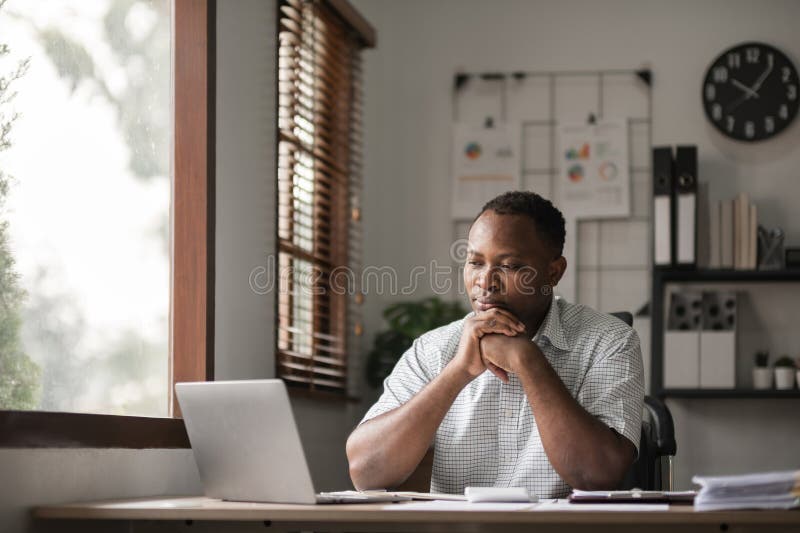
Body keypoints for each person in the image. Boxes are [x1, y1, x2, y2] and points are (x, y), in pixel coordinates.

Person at [346, 190, 644, 498]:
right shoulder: (433, 349)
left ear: (553, 272)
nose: (485, 282)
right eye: (475, 262)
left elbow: (598, 476)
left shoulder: (609, 340)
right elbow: (366, 472)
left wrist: (527, 359)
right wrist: (457, 372)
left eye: (510, 266)